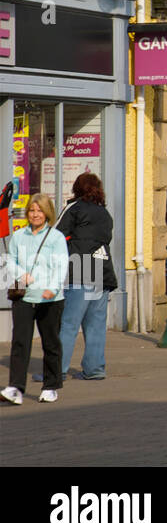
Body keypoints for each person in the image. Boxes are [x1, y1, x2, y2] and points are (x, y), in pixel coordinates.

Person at [2, 194, 69, 405]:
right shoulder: (19, 236)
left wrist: (52, 288)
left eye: (39, 210)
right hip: (24, 296)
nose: (35, 214)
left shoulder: (55, 237)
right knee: (20, 342)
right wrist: (21, 274)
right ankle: (15, 388)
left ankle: (50, 386)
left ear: (47, 213)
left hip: (50, 299)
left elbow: (61, 265)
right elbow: (9, 260)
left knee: (50, 343)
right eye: (32, 210)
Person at [57, 172, 116, 381]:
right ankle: (95, 369)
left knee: (69, 323)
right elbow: (106, 237)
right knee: (96, 324)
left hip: (80, 271)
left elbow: (57, 236)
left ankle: (57, 370)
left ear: (77, 188)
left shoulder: (74, 208)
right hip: (102, 272)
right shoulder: (105, 213)